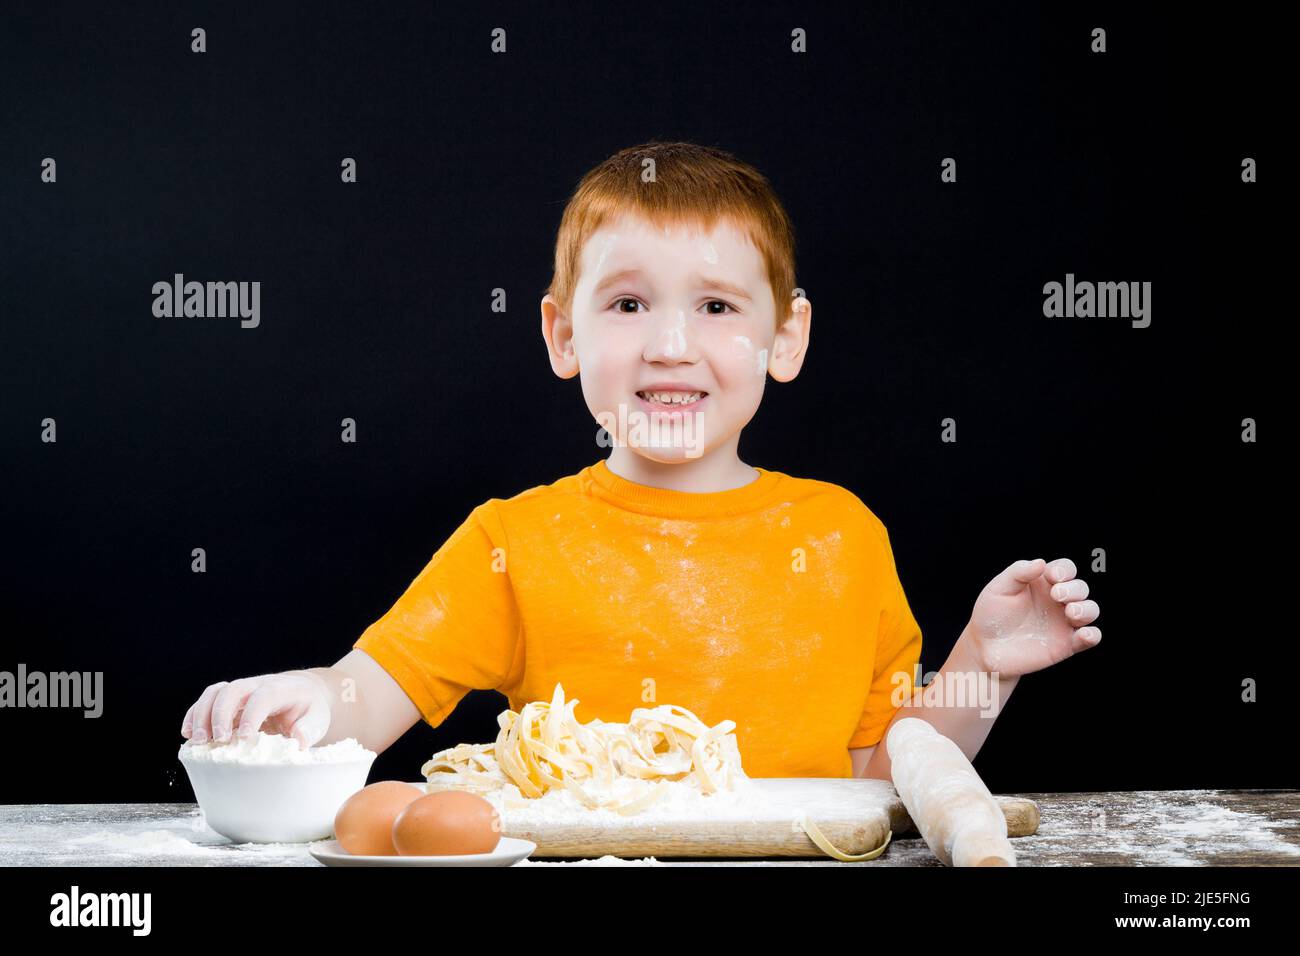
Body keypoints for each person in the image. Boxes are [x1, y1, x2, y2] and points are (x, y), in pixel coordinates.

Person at [181, 141, 1102, 780]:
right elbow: (367, 695)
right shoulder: (515, 542)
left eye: (715, 308)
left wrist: (984, 660)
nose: (669, 346)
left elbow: (889, 774)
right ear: (560, 332)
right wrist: (297, 701)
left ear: (785, 338)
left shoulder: (841, 537)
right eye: (626, 306)